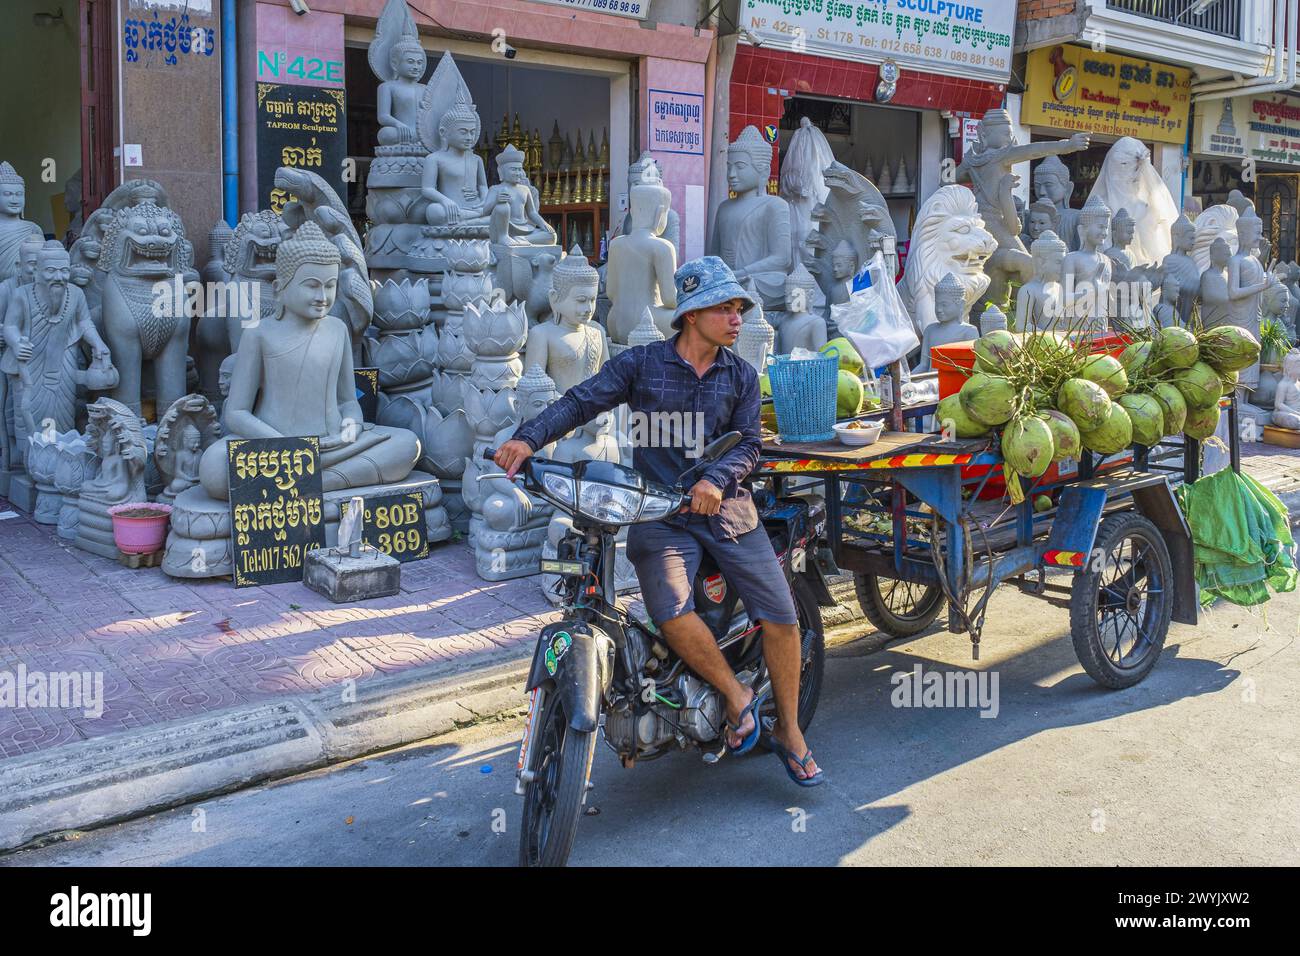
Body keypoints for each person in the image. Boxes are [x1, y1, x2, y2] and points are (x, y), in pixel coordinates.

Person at [494, 256, 824, 786]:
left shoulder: (740, 373)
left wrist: (715, 481)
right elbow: (581, 400)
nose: (737, 317)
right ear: (692, 314)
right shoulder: (642, 364)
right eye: (725, 307)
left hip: (729, 513)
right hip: (659, 513)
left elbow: (750, 447)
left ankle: (789, 729)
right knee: (669, 610)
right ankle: (737, 696)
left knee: (781, 616)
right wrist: (528, 438)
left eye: (739, 308)